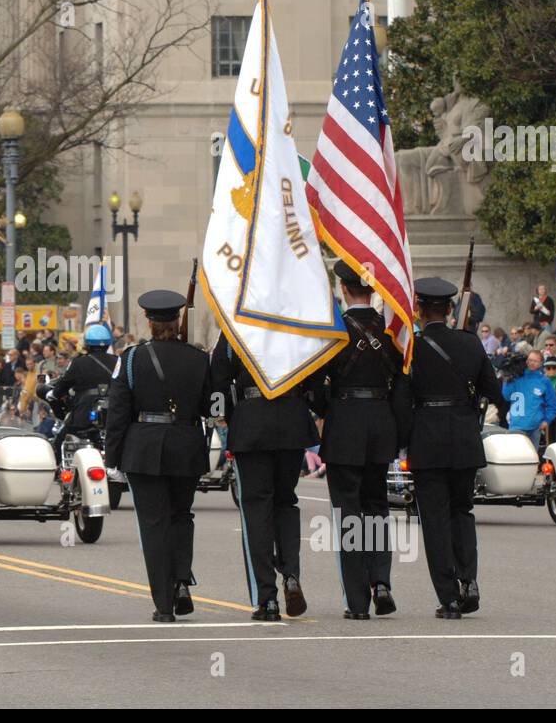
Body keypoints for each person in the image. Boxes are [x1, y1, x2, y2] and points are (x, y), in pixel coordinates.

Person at [104, 290, 214, 624]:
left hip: (145, 447)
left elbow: (118, 411)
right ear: (178, 320)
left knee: (154, 525)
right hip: (185, 443)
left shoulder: (132, 358)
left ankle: (164, 604)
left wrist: (113, 456)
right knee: (182, 516)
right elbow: (212, 406)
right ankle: (181, 580)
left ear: (150, 323)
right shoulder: (199, 359)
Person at [405, 278, 507, 619]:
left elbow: (404, 398)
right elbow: (493, 392)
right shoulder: (470, 344)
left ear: (418, 310)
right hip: (463, 438)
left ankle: (448, 597)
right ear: (450, 310)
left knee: (434, 519)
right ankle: (470, 580)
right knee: (462, 512)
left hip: (428, 440)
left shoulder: (413, 347)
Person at [314, 261, 409, 620]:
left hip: (345, 425)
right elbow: (401, 387)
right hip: (381, 423)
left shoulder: (334, 330)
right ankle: (381, 582)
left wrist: (325, 408)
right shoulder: (390, 329)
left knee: (349, 515)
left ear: (342, 288)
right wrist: (397, 430)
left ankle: (357, 600)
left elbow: (315, 385)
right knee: (377, 509)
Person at [210, 327, 323, 622]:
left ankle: (266, 598)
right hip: (292, 420)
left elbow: (218, 380)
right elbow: (313, 373)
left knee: (257, 509)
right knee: (285, 503)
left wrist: (226, 418)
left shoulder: (235, 326)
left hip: (252, 421)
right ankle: (291, 576)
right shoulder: (294, 324)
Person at [41, 324, 115, 450]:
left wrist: (53, 394)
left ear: (87, 344)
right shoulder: (118, 361)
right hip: (114, 413)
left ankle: (58, 467)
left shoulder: (79, 362)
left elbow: (63, 384)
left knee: (60, 440)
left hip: (84, 415)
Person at [502, 350, 556, 449]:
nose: (532, 363)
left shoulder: (544, 381)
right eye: (530, 360)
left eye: (535, 361)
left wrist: (546, 420)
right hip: (516, 425)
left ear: (541, 363)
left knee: (532, 459)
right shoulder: (516, 377)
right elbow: (506, 396)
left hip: (535, 427)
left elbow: (553, 406)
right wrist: (507, 379)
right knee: (515, 458)